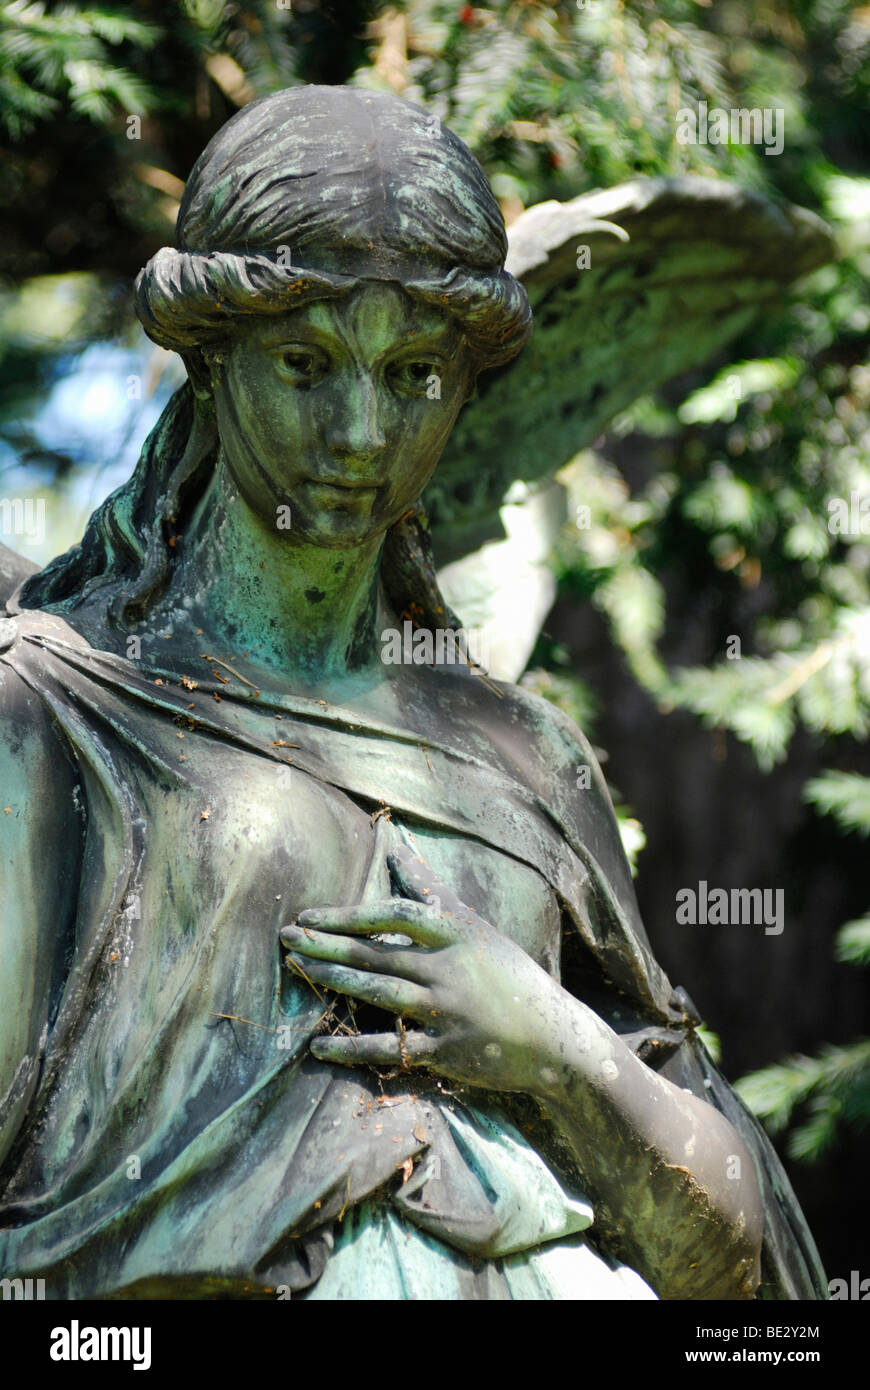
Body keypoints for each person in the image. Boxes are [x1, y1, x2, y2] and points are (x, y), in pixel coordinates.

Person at [0, 85, 825, 1300]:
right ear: (211, 356)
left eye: (417, 373)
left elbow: (741, 1269)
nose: (361, 431)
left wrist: (556, 1051)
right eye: (304, 363)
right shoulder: (61, 716)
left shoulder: (527, 759)